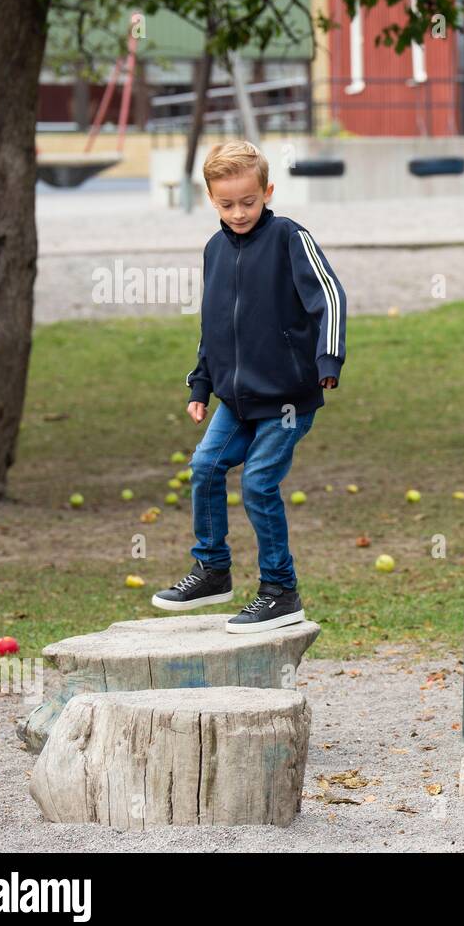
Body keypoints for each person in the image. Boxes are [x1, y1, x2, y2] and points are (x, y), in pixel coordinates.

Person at [152, 140, 347, 633]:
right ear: (210, 199)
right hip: (235, 401)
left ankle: (281, 592)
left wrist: (328, 358)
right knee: (204, 467)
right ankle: (213, 570)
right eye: (226, 204)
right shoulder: (215, 249)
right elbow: (215, 324)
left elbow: (331, 296)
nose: (238, 213)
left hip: (287, 398)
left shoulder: (289, 237)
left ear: (268, 192)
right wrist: (200, 385)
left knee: (259, 482)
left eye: (248, 202)